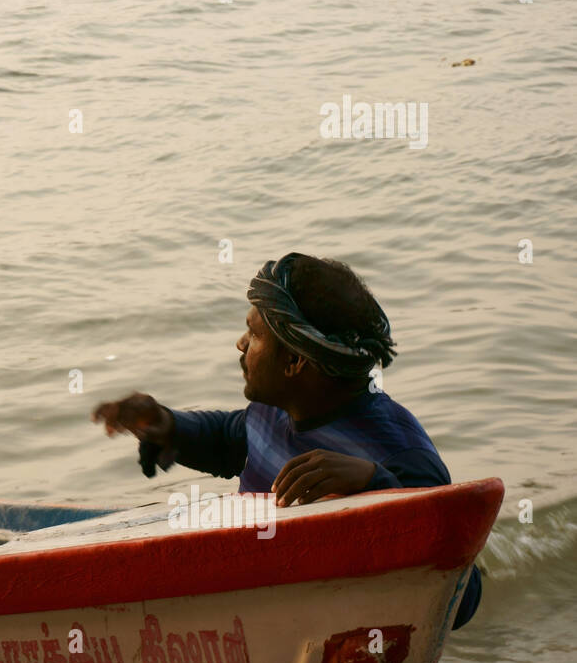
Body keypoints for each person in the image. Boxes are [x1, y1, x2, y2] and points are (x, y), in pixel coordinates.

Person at [90, 252, 482, 629]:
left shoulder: (400, 450)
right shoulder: (276, 410)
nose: (241, 344)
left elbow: (462, 597)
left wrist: (376, 486)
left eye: (255, 334)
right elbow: (233, 440)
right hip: (254, 612)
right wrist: (169, 425)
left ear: (294, 362)